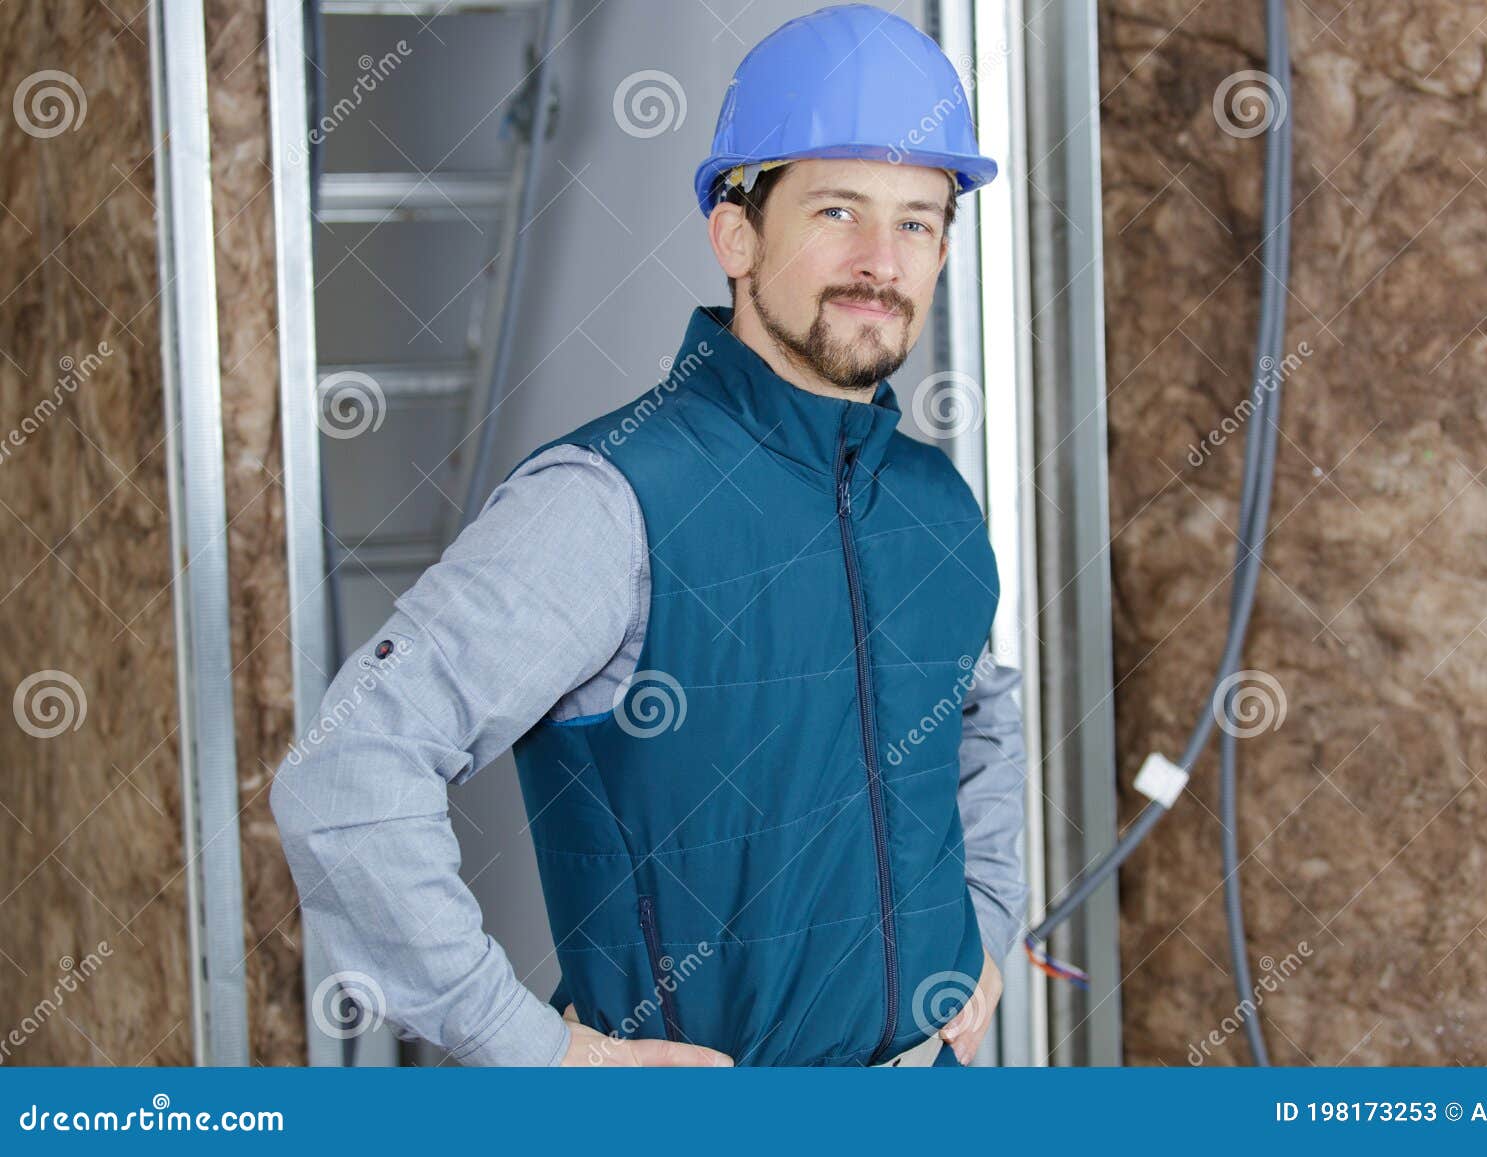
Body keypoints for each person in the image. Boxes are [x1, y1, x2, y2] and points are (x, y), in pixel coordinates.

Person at [270, 2, 1026, 1068]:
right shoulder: (610, 499)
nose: (878, 258)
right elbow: (347, 768)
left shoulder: (933, 503)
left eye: (915, 219)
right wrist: (539, 1054)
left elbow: (979, 708)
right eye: (836, 210)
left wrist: (983, 920)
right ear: (735, 231)